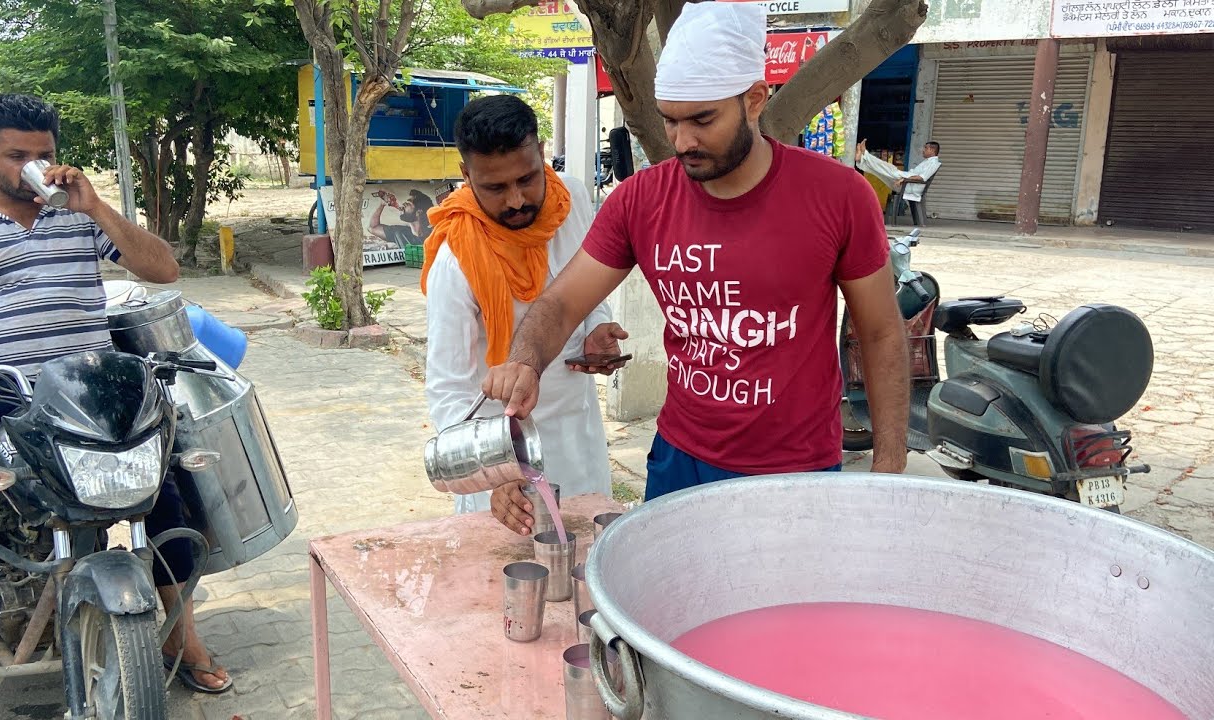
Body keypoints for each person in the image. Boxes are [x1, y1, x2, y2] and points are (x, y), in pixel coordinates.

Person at [479, 2, 910, 535]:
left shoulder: (838, 195)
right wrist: (526, 361)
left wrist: (890, 466)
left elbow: (879, 330)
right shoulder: (641, 200)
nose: (682, 142)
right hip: (680, 459)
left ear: (754, 100)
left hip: (795, 469)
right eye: (670, 120)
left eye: (703, 119)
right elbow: (563, 302)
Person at [0, 94, 231, 698]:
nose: (32, 167)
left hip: (87, 386)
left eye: (43, 155)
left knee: (165, 485)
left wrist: (95, 207)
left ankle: (180, 631)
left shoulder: (79, 214)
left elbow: (164, 270)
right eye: (16, 156)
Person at [422, 94, 622, 517]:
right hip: (503, 461)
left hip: (579, 439)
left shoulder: (573, 200)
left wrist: (596, 331)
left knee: (587, 548)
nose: (515, 200)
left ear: (541, 153)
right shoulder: (456, 260)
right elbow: (448, 388)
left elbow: (586, 290)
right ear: (466, 175)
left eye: (527, 179)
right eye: (495, 188)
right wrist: (492, 471)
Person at [856, 139, 942, 218]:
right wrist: (904, 179)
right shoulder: (928, 161)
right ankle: (862, 158)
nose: (923, 150)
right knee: (882, 171)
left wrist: (904, 179)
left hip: (909, 185)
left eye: (926, 148)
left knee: (885, 167)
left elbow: (921, 178)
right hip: (908, 182)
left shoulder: (933, 163)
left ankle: (864, 155)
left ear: (932, 150)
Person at [369, 188, 435, 246]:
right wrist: (382, 204)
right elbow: (373, 227)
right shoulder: (400, 232)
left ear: (419, 212)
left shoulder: (433, 234)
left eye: (409, 203)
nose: (404, 204)